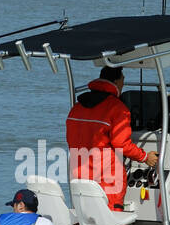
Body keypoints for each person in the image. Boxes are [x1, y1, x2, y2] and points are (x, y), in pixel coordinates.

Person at [66, 65, 158, 210]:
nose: (123, 84)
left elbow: (71, 139)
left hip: (79, 174)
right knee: (111, 220)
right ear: (116, 81)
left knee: (84, 218)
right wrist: (145, 157)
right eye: (123, 80)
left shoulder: (76, 108)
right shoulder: (117, 108)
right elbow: (122, 144)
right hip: (106, 179)